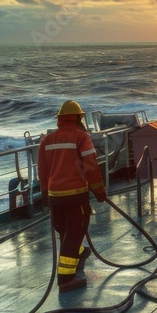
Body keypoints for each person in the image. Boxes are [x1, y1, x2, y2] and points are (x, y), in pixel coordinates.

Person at [37, 100, 109, 293]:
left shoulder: (47, 140)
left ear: (60, 119)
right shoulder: (81, 137)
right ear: (78, 118)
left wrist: (45, 195)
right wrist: (99, 191)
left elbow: (42, 171)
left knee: (65, 232)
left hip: (55, 197)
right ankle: (66, 279)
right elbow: (90, 167)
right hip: (76, 197)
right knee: (74, 234)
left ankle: (80, 253)